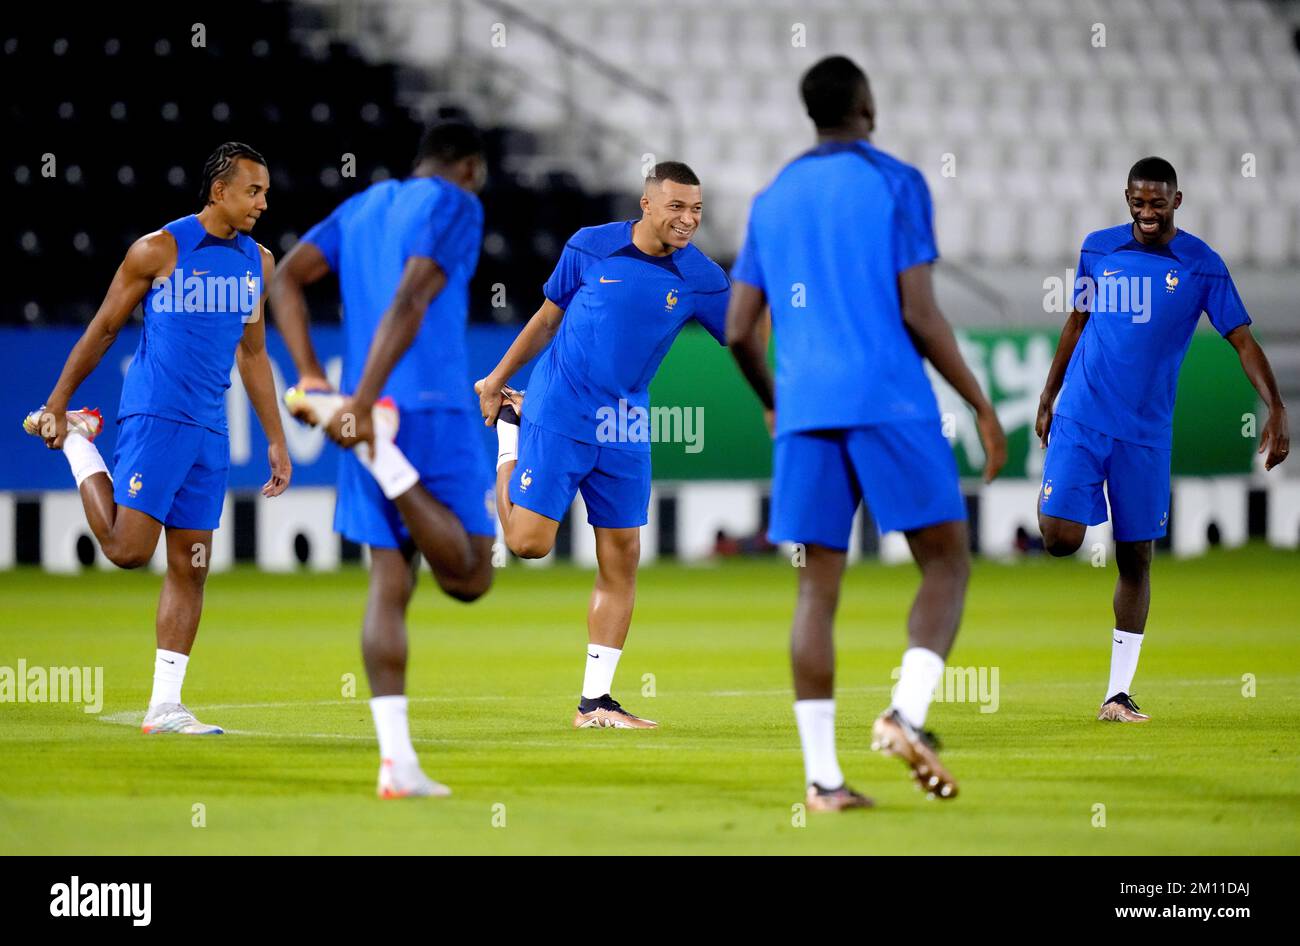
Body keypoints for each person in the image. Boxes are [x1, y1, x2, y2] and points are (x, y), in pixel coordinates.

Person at [727, 56, 1007, 810]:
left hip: (808, 409)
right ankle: (903, 714)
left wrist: (779, 402)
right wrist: (978, 402)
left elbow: (737, 331)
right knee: (946, 563)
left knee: (816, 589)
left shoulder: (772, 196)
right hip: (886, 398)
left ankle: (822, 782)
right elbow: (919, 312)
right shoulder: (895, 181)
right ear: (865, 104)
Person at [24, 141, 291, 735]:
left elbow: (253, 353)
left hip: (209, 429)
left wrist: (276, 438)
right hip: (156, 416)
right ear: (219, 191)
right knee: (126, 550)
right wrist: (58, 405)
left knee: (190, 566)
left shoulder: (259, 263)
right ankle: (79, 441)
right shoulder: (160, 249)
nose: (263, 203)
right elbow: (104, 329)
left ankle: (164, 705)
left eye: (266, 192)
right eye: (253, 191)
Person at [271, 121, 495, 797]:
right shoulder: (457, 203)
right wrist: (363, 405)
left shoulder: (365, 205)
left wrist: (315, 379)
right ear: (471, 168)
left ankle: (397, 763)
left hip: (365, 410)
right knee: (471, 576)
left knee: (388, 582)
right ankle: (387, 458)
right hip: (425, 405)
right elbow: (413, 296)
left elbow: (283, 279)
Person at [477, 162, 729, 730]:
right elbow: (546, 319)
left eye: (696, 211)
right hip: (559, 408)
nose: (688, 220)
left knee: (622, 558)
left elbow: (743, 334)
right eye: (676, 208)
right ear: (646, 204)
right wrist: (496, 381)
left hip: (626, 427)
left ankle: (595, 703)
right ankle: (508, 439)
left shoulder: (702, 278)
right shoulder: (591, 247)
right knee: (528, 544)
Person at [1035, 156, 1289, 722]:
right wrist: (1049, 395)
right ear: (1127, 197)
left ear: (1177, 201)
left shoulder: (1202, 266)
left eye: (1157, 202)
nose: (1146, 212)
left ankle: (1117, 694)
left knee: (1135, 556)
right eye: (1137, 201)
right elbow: (1076, 321)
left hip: (1146, 433)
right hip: (1083, 411)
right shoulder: (1099, 249)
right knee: (1058, 537)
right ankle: (1073, 500)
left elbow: (1242, 342)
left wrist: (1275, 406)